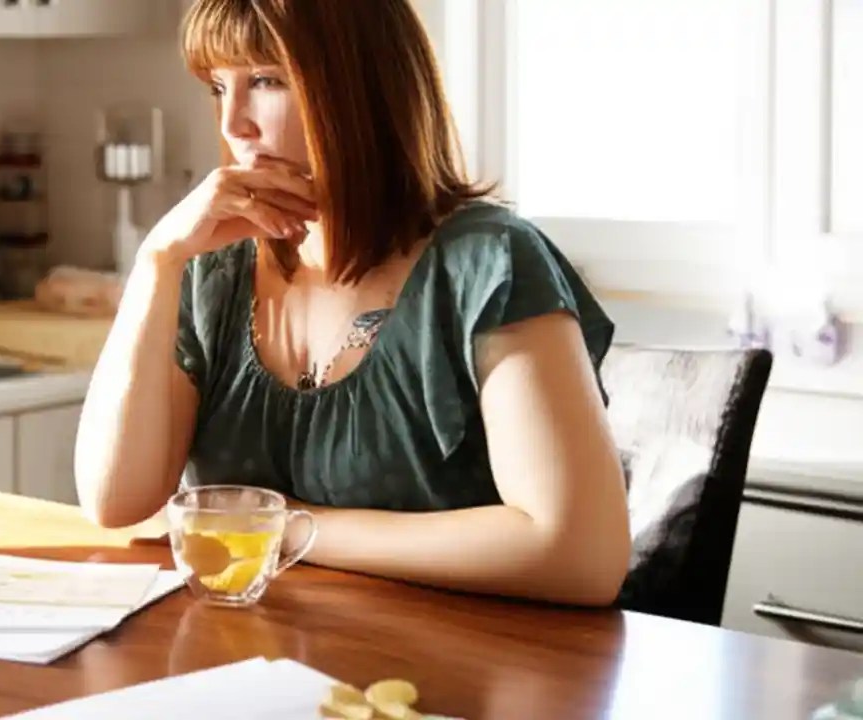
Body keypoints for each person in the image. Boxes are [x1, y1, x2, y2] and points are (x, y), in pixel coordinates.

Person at [75, 0, 631, 607]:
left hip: (446, 680)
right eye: (217, 86)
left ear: (361, 86)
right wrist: (157, 261)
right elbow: (114, 500)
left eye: (266, 80)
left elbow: (581, 555)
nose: (234, 123)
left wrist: (288, 527)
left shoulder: (490, 264)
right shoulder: (211, 270)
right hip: (250, 667)